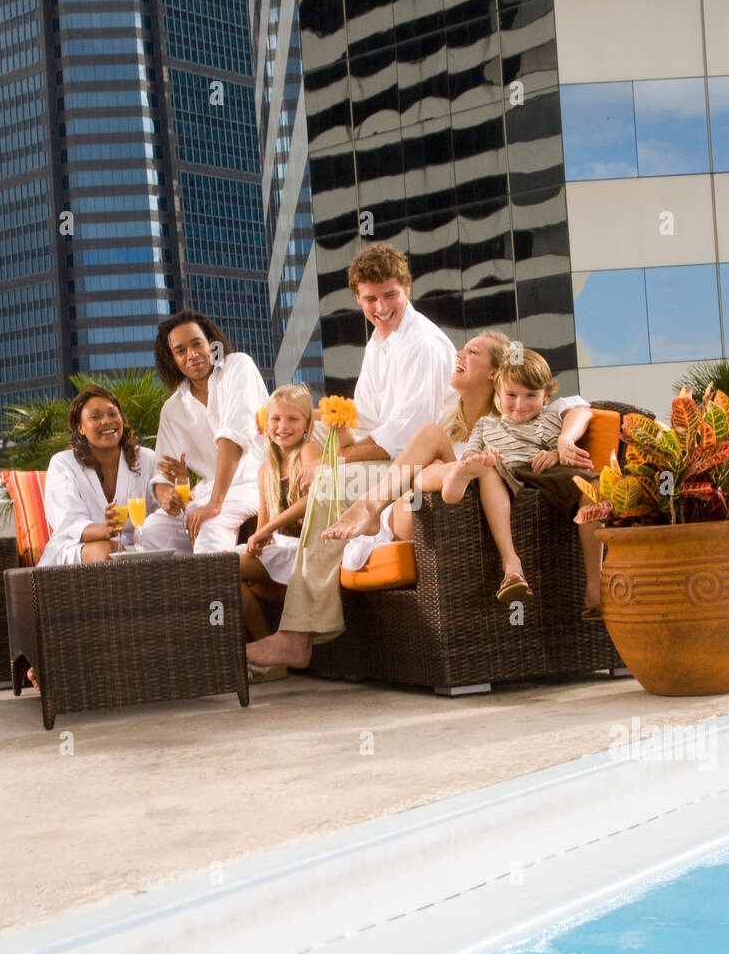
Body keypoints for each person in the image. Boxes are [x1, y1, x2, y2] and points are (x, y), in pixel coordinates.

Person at [246, 241, 457, 668]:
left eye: (390, 295)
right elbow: (365, 421)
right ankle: (288, 506)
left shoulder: (422, 345)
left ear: (407, 288)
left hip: (419, 462)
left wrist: (333, 461)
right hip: (388, 456)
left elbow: (401, 439)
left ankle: (296, 636)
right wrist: (331, 435)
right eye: (370, 298)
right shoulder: (380, 343)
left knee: (329, 477)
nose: (381, 306)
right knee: (312, 430)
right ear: (358, 298)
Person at [322, 331, 595, 572]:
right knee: (431, 440)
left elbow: (580, 409)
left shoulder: (524, 412)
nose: (458, 354)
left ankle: (382, 501)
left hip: (461, 516)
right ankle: (371, 506)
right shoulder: (445, 422)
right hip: (416, 512)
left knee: (447, 463)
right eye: (462, 349)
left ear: (494, 373)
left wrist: (562, 444)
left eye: (472, 352)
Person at [440, 348, 603, 616]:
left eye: (531, 396)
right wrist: (478, 458)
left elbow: (560, 445)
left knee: (594, 487)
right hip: (502, 470)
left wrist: (553, 454)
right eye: (511, 395)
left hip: (539, 470)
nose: (520, 404)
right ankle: (511, 565)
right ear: (498, 394)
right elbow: (471, 453)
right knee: (485, 468)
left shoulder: (549, 419)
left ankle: (595, 587)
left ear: (546, 395)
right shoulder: (484, 426)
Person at [141, 309, 268, 553]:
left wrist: (214, 503)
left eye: (197, 344)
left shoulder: (237, 366)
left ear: (211, 343)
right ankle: (179, 590)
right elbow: (161, 472)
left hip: (254, 483)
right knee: (153, 530)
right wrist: (166, 494)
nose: (192, 355)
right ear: (172, 359)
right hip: (206, 492)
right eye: (180, 351)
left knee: (209, 522)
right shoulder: (172, 409)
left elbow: (234, 436)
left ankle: (214, 589)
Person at [39, 385, 158, 566]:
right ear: (80, 428)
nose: (106, 421)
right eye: (95, 417)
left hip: (139, 548)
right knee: (107, 551)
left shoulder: (147, 458)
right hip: (81, 547)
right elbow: (69, 524)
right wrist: (106, 530)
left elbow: (161, 514)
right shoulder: (64, 464)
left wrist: (174, 498)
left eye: (112, 414)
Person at [238, 384, 320, 643]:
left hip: (306, 547)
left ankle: (270, 652)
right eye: (275, 419)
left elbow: (313, 499)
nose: (282, 426)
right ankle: (262, 641)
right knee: (217, 567)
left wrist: (267, 529)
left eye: (292, 419)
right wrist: (259, 539)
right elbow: (264, 523)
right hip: (280, 549)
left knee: (223, 567)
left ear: (306, 424)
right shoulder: (266, 470)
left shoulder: (310, 451)